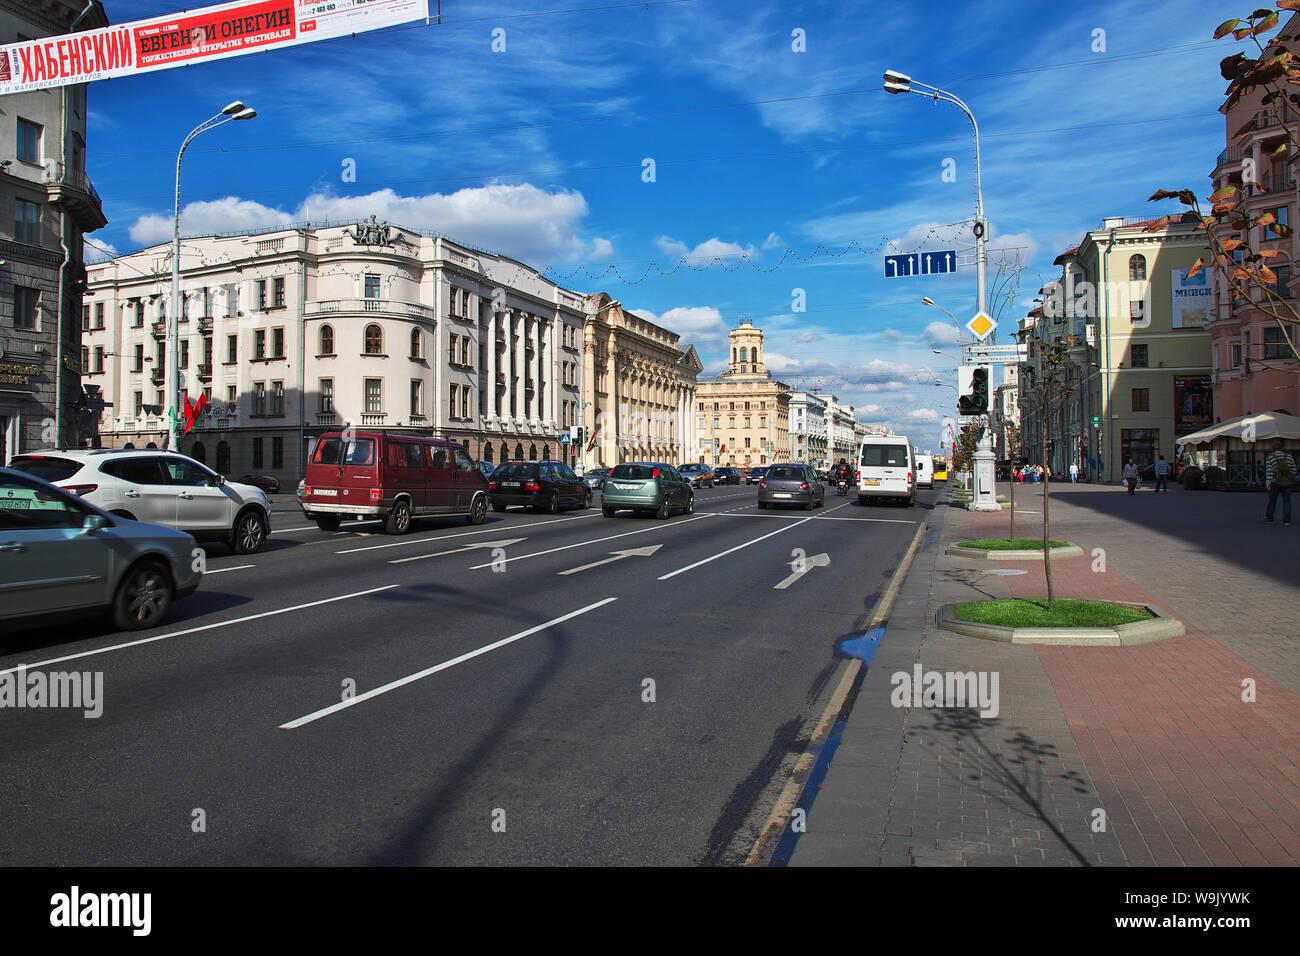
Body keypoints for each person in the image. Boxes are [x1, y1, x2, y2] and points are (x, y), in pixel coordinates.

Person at [1264, 439, 1295, 526]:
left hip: (1274, 482)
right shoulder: (1289, 457)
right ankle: (1287, 521)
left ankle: (1270, 519)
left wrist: (1268, 483)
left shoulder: (1271, 457)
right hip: (1287, 482)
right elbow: (1294, 469)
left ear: (1273, 448)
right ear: (1282, 448)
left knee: (1272, 501)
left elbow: (1269, 471)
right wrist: (1290, 478)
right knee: (1287, 502)